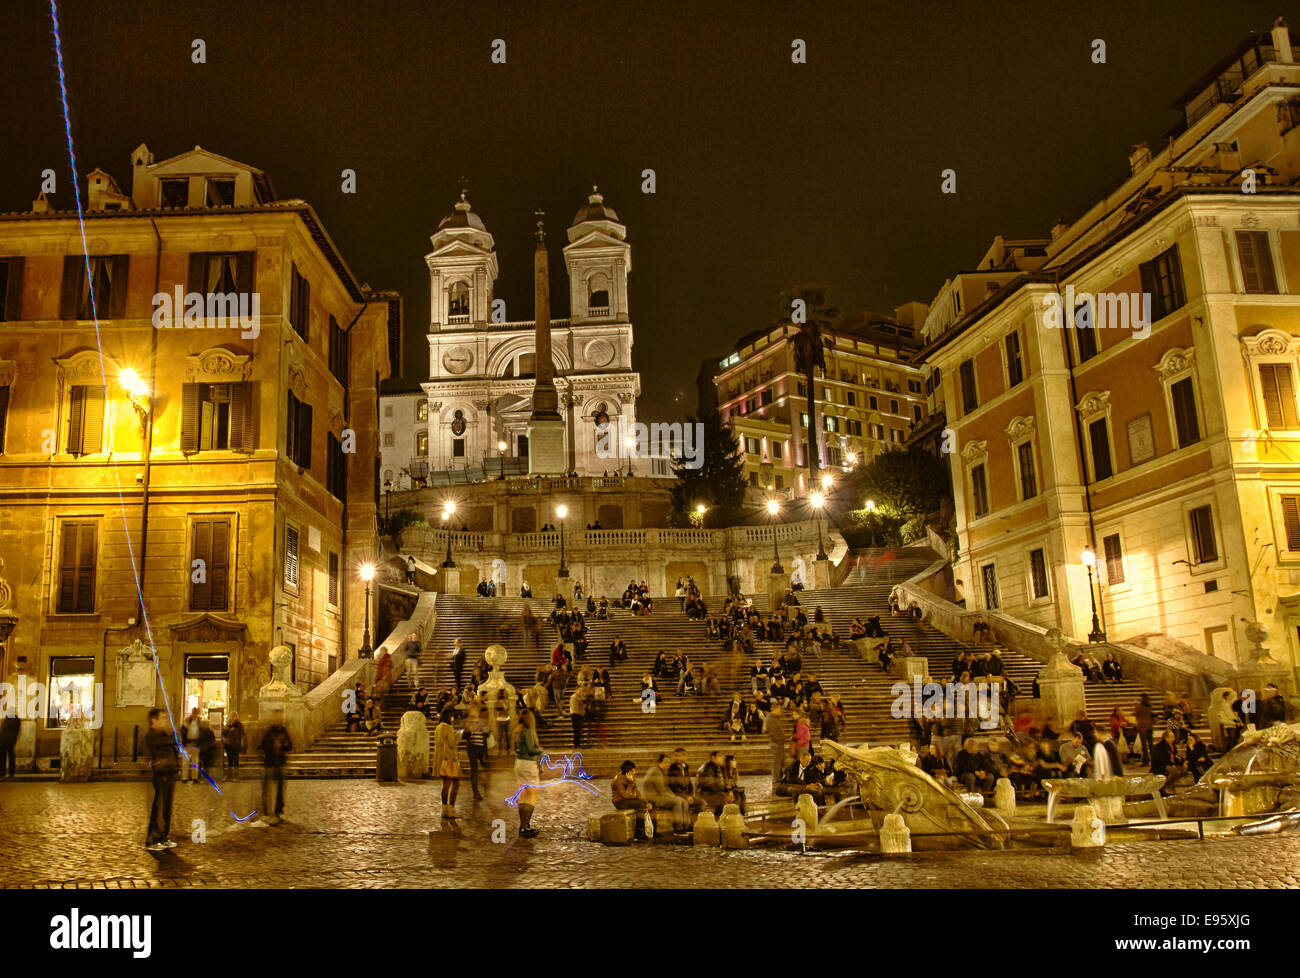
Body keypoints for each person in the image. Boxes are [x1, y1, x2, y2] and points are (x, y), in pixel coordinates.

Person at [144, 708, 180, 850]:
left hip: (170, 773)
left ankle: (163, 836)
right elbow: (148, 757)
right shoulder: (152, 737)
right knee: (159, 807)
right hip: (161, 774)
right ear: (154, 720)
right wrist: (157, 763)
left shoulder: (165, 735)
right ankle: (153, 838)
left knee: (166, 808)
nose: (166, 720)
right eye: (163, 718)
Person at [512, 709, 544, 838]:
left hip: (519, 764)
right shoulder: (528, 731)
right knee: (532, 796)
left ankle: (523, 825)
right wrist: (541, 750)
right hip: (529, 765)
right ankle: (525, 826)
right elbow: (531, 750)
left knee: (523, 795)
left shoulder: (517, 731)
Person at [642, 753, 691, 833]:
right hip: (653, 797)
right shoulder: (656, 772)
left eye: (669, 762)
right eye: (666, 762)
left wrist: (674, 796)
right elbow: (662, 790)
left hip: (660, 795)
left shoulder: (661, 771)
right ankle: (679, 828)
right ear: (659, 763)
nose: (668, 764)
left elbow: (666, 788)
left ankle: (686, 825)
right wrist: (675, 798)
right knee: (677, 802)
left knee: (683, 801)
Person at [259, 713, 293, 824]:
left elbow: (290, 746)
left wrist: (283, 745)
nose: (278, 721)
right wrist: (272, 745)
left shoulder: (284, 732)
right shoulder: (269, 732)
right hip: (269, 763)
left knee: (280, 790)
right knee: (266, 789)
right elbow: (262, 746)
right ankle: (266, 811)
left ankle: (278, 811)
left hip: (280, 763)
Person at [432, 708, 462, 820]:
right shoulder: (448, 727)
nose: (453, 719)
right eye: (452, 716)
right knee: (455, 783)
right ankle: (451, 809)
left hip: (441, 759)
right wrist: (458, 734)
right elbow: (452, 743)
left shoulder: (438, 727)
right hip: (450, 759)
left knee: (445, 785)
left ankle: (444, 810)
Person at [611, 761, 651, 840]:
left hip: (630, 799)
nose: (635, 772)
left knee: (646, 803)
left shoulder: (631, 778)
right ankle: (639, 832)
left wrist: (646, 802)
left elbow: (637, 792)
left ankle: (649, 830)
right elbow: (625, 796)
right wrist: (630, 783)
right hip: (619, 802)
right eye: (633, 771)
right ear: (628, 771)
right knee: (639, 805)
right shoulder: (618, 780)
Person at [463, 701, 490, 800]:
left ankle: (487, 788)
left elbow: (487, 735)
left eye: (476, 710)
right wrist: (469, 730)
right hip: (472, 748)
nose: (474, 712)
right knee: (474, 771)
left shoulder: (482, 721)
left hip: (482, 748)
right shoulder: (467, 722)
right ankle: (476, 793)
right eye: (472, 710)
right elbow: (464, 736)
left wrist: (485, 730)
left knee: (486, 769)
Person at [695, 751, 729, 816]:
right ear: (713, 758)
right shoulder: (708, 767)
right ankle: (719, 818)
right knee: (722, 799)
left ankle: (738, 816)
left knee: (735, 795)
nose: (723, 758)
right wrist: (722, 792)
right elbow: (709, 784)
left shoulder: (716, 766)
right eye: (720, 756)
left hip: (710, 792)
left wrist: (726, 790)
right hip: (705, 793)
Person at [179, 708, 202, 782]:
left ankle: (194, 777)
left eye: (196, 713)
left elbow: (201, 732)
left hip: (196, 743)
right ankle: (184, 778)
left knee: (195, 762)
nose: (195, 714)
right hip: (187, 744)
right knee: (185, 762)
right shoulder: (187, 720)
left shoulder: (199, 721)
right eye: (194, 713)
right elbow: (182, 732)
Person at [0, 710, 20, 779]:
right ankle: (3, 772)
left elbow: (15, 731)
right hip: (3, 741)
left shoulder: (15, 720)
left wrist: (12, 740)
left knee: (10, 757)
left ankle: (10, 772)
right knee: (2, 757)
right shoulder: (7, 719)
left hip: (9, 741)